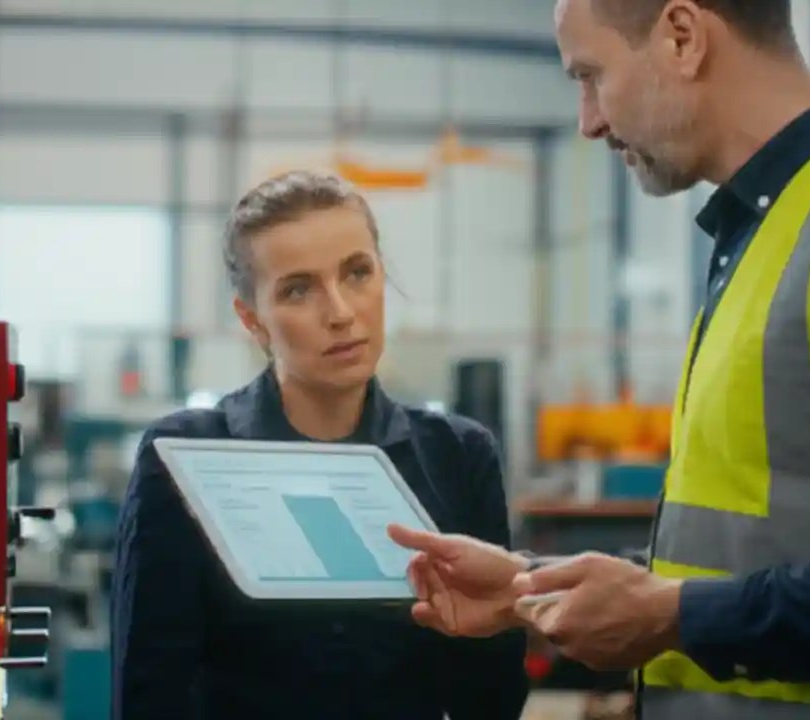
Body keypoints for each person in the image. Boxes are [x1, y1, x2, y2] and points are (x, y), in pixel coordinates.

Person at [389, 0, 810, 717]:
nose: (588, 121)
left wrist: (674, 616)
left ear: (682, 37)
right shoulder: (767, 229)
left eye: (591, 76)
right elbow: (753, 553)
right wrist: (533, 584)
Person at [111, 170, 528, 719]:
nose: (340, 313)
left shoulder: (458, 457)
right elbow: (147, 694)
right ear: (252, 319)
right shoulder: (188, 459)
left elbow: (493, 703)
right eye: (298, 289)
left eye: (357, 273)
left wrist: (504, 613)